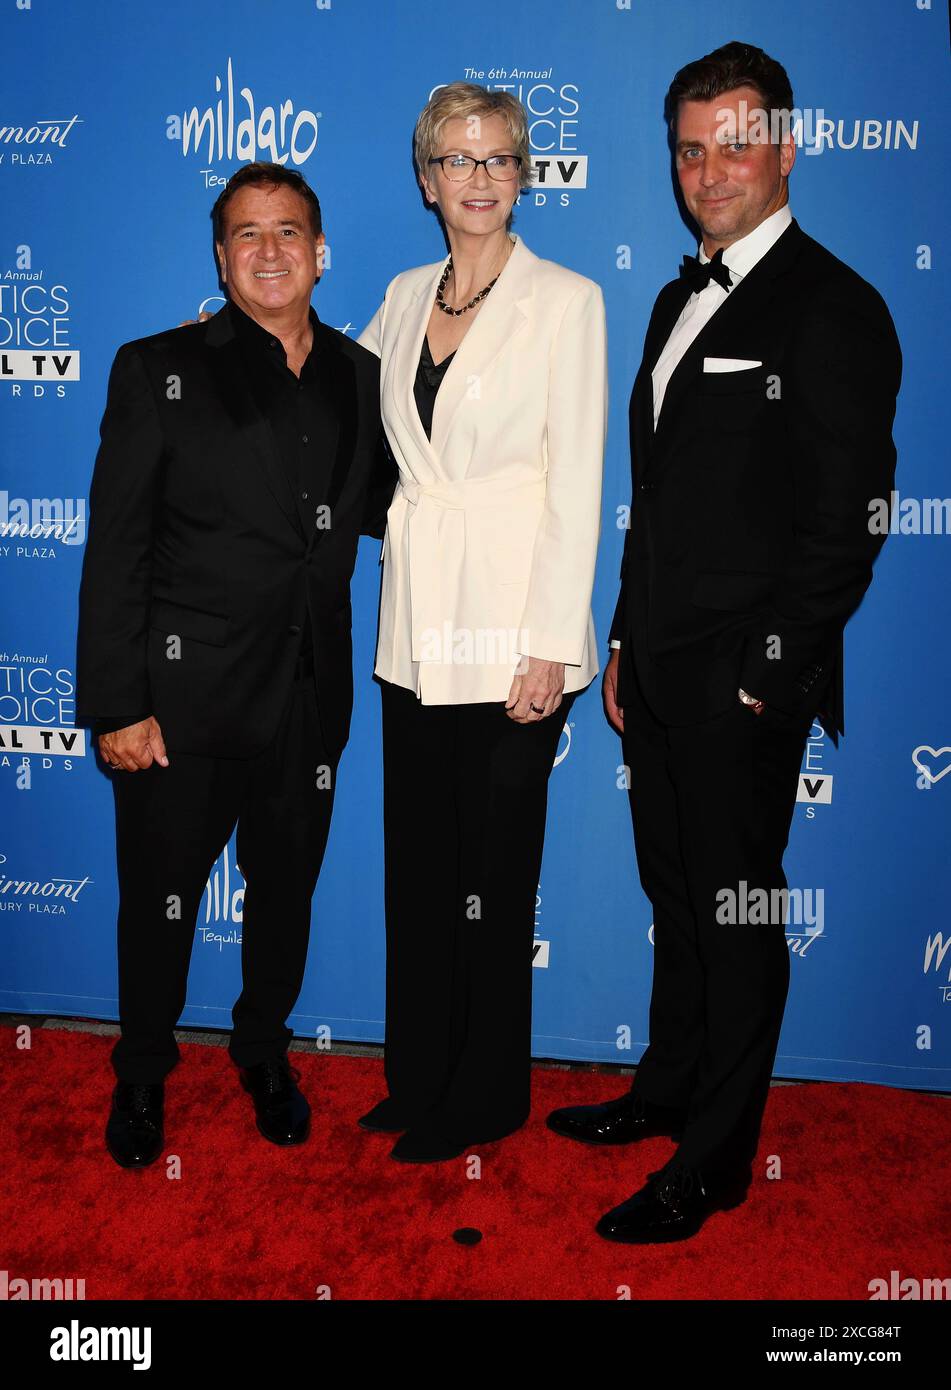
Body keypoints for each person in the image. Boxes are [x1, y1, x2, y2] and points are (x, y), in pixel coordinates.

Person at [547, 42, 901, 1242]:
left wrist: (767, 678)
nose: (711, 169)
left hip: (746, 686)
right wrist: (624, 641)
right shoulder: (672, 297)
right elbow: (663, 498)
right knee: (676, 891)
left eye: (735, 144)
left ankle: (716, 1161)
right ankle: (668, 1086)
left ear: (787, 149)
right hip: (658, 668)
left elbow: (848, 523)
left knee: (739, 909)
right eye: (692, 148)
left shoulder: (837, 306)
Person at [76, 162, 396, 1168]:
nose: (269, 251)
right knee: (160, 903)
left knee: (286, 894)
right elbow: (117, 547)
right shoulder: (156, 368)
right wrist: (120, 702)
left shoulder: (363, 375)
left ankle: (264, 1052)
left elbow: (391, 511)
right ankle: (140, 1072)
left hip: (307, 700)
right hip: (182, 703)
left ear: (319, 249)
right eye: (247, 234)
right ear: (221, 256)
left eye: (289, 231)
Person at [356, 82, 607, 1163]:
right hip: (415, 627)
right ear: (427, 179)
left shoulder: (568, 300)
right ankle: (417, 1074)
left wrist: (553, 641)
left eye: (500, 159)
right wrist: (229, 348)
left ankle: (488, 1088)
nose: (480, 179)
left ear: (525, 175)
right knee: (417, 868)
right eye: (458, 161)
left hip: (511, 639)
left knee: (489, 881)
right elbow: (336, 407)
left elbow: (577, 479)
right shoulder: (405, 294)